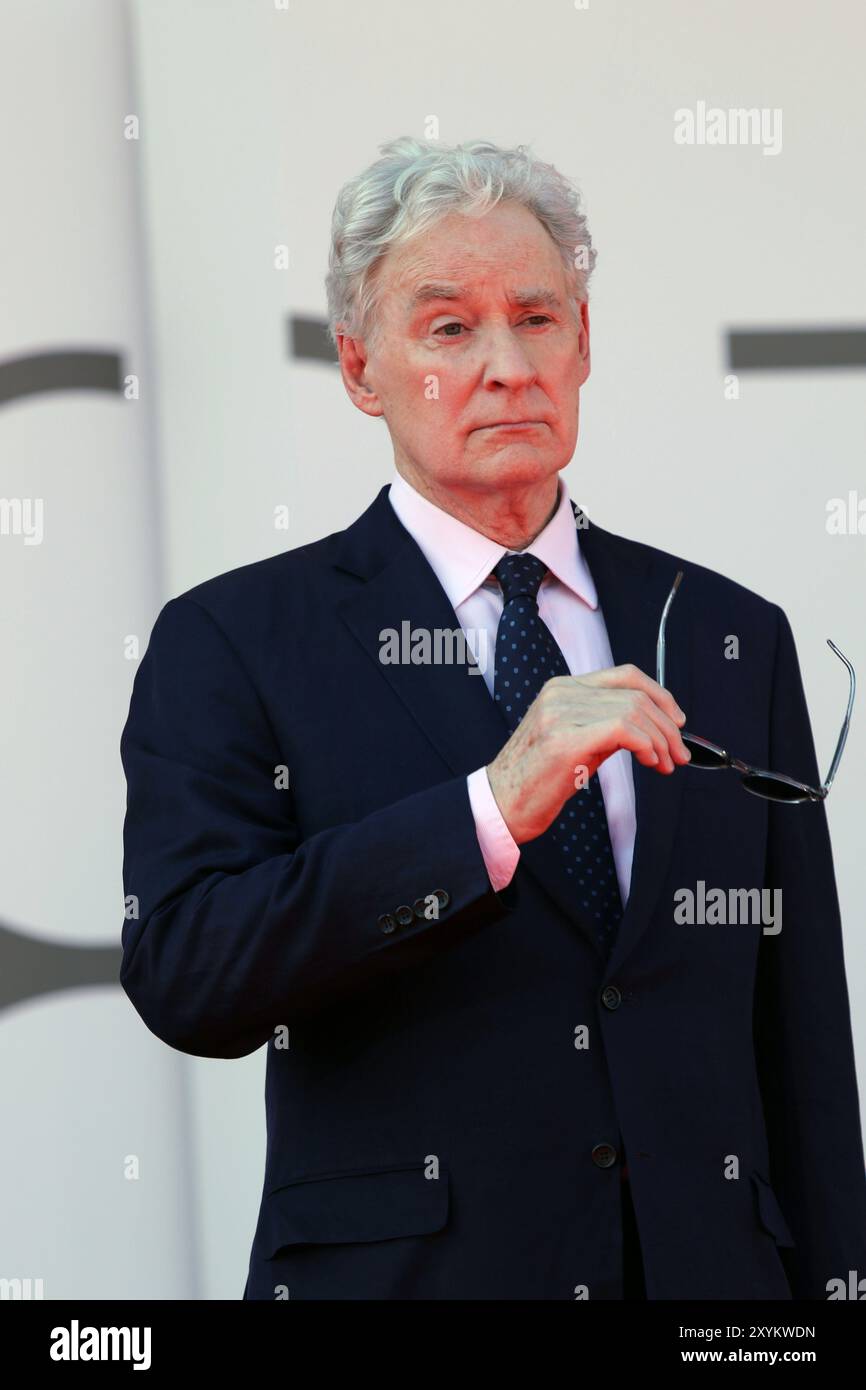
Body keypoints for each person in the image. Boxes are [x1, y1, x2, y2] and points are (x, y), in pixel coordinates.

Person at [119, 136, 866, 1300]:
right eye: (449, 328)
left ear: (583, 343)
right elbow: (190, 972)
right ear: (362, 369)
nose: (508, 364)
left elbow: (802, 1042)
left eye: (537, 317)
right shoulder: (235, 638)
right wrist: (482, 813)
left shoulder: (728, 631)